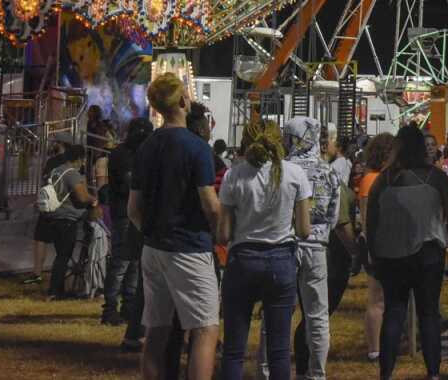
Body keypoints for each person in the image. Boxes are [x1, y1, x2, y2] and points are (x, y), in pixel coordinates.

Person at [130, 72, 221, 380]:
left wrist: (154, 231)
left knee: (156, 330)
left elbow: (133, 209)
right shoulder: (197, 148)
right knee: (205, 329)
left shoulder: (146, 147)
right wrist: (222, 228)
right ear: (183, 100)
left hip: (153, 247)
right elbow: (209, 204)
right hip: (189, 247)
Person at [218, 119, 311, 380]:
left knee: (234, 351)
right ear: (279, 141)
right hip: (281, 261)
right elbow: (304, 230)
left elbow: (223, 234)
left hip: (243, 260)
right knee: (280, 351)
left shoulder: (233, 175)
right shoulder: (295, 174)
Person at [366, 123, 448, 380]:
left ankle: (386, 373)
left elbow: (371, 220)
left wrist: (372, 253)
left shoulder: (383, 180)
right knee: (429, 314)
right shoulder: (436, 178)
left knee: (394, 312)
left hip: (391, 255)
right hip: (428, 254)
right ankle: (433, 373)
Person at [283, 117, 339, 380]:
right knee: (317, 316)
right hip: (316, 247)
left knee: (279, 312)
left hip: (286, 246)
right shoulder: (329, 171)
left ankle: (269, 370)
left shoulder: (282, 169)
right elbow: (333, 216)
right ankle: (317, 373)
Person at [102, 116, 152, 328]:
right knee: (122, 261)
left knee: (134, 262)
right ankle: (110, 307)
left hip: (136, 213)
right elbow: (129, 181)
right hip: (124, 213)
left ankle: (128, 306)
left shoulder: (137, 153)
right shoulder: (122, 154)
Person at [356, 131, 395, 363]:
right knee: (377, 297)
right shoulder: (372, 180)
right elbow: (367, 216)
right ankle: (374, 348)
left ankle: (381, 345)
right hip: (378, 244)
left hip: (386, 243)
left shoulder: (380, 177)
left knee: (385, 298)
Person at [41, 143, 99, 299]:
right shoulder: (72, 174)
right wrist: (94, 200)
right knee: (63, 256)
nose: (85, 162)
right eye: (84, 159)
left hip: (53, 217)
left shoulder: (56, 170)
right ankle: (55, 292)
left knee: (60, 255)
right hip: (67, 219)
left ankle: (57, 290)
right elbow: (82, 197)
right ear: (79, 159)